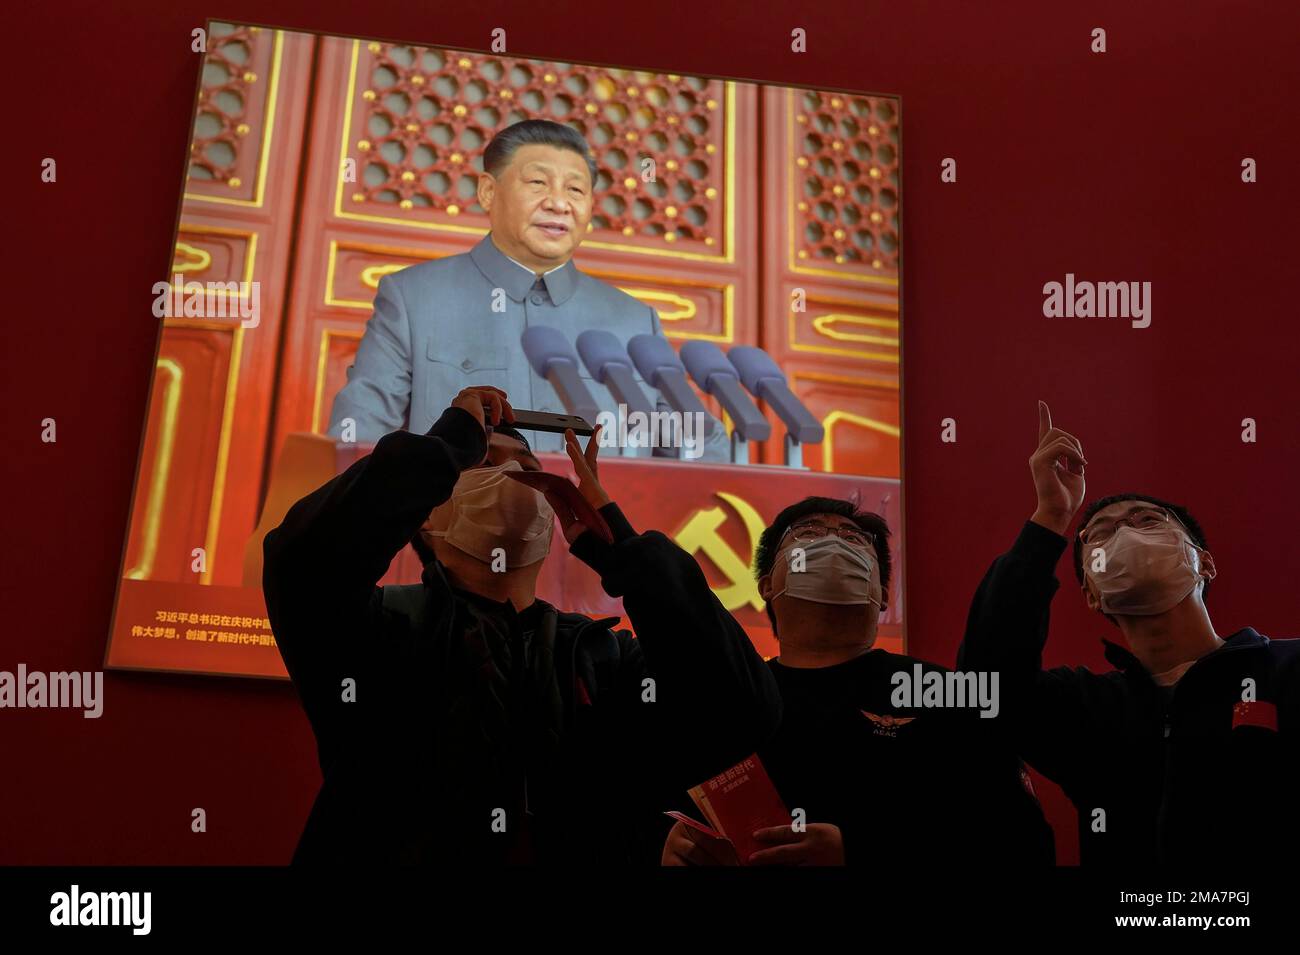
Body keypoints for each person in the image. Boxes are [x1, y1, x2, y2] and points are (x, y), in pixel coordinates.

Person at [264, 386, 779, 864]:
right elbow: (304, 559)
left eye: (528, 465)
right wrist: (447, 444)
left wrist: (622, 549)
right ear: (424, 515)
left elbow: (738, 713)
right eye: (484, 462)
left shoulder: (603, 658)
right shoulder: (375, 629)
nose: (513, 475)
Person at [957, 401, 1300, 866]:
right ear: (1092, 593)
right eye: (1101, 534)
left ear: (1205, 561)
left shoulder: (1288, 670)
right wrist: (1050, 520)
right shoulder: (1086, 708)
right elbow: (986, 685)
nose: (1125, 534)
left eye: (1146, 521)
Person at [663, 496, 1055, 866]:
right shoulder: (724, 700)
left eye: (854, 539)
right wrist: (670, 845)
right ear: (766, 584)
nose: (833, 544)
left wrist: (862, 853)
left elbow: (1025, 845)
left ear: (883, 594)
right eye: (809, 533)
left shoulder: (945, 695)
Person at [326, 118, 724, 459]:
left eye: (575, 189)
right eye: (537, 182)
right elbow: (359, 436)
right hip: (453, 543)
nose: (558, 203)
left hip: (596, 547)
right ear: (487, 191)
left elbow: (702, 447)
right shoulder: (414, 298)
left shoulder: (634, 321)